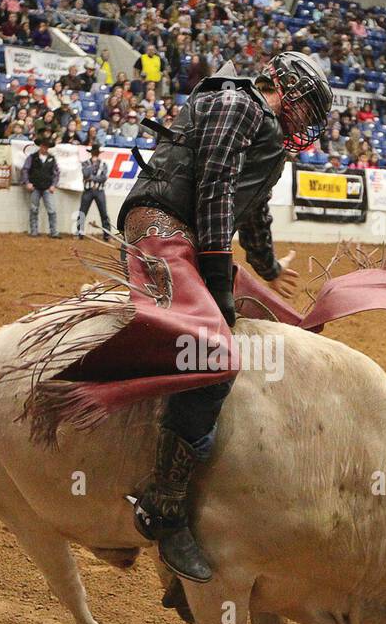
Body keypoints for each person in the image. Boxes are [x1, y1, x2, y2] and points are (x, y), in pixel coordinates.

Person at [120, 51, 331, 582]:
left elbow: (251, 210)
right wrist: (220, 277)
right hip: (164, 226)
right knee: (214, 352)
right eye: (306, 108)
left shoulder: (267, 141)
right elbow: (214, 191)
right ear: (283, 87)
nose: (307, 123)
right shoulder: (236, 102)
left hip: (192, 239)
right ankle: (162, 509)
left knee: (278, 319)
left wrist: (266, 265)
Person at [21, 139, 60, 237]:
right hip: (35, 186)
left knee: (51, 210)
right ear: (40, 146)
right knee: (34, 209)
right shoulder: (32, 157)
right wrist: (27, 183)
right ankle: (34, 231)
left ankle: (53, 232)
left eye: (46, 146)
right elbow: (25, 170)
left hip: (47, 187)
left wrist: (53, 185)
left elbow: (56, 173)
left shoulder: (52, 158)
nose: (45, 148)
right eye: (43, 146)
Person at [76, 143, 111, 239]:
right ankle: (80, 233)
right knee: (82, 212)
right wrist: (93, 169)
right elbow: (85, 174)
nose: (95, 154)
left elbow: (103, 178)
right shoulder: (85, 163)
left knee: (104, 213)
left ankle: (107, 235)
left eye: (96, 153)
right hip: (88, 190)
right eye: (94, 153)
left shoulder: (103, 164)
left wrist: (91, 177)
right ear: (91, 153)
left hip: (99, 191)